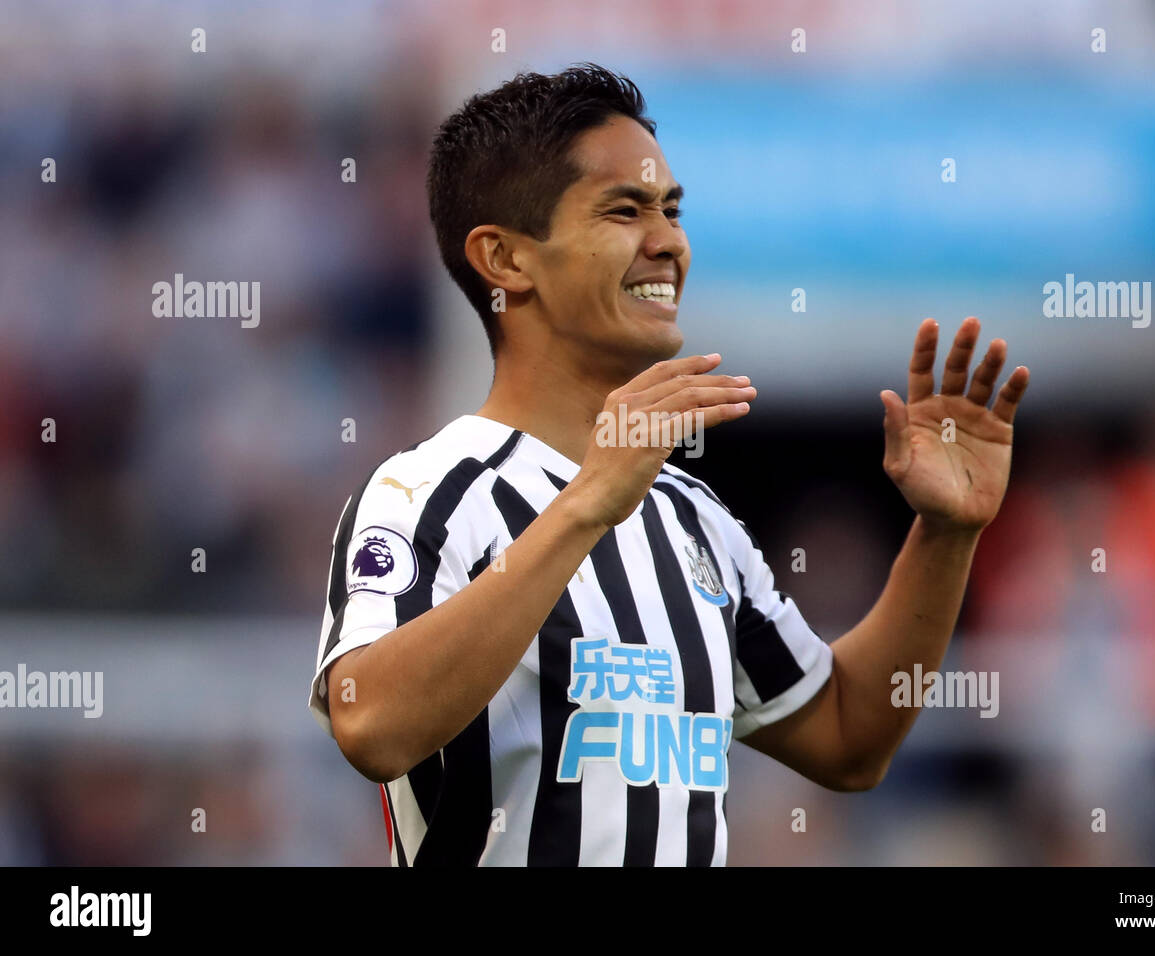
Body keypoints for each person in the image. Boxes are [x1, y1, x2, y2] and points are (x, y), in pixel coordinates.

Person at [308, 63, 1030, 866]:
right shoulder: (429, 493)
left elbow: (847, 737)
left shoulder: (693, 518)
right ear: (506, 262)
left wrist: (944, 534)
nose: (669, 242)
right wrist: (585, 506)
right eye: (624, 210)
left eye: (672, 210)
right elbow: (369, 724)